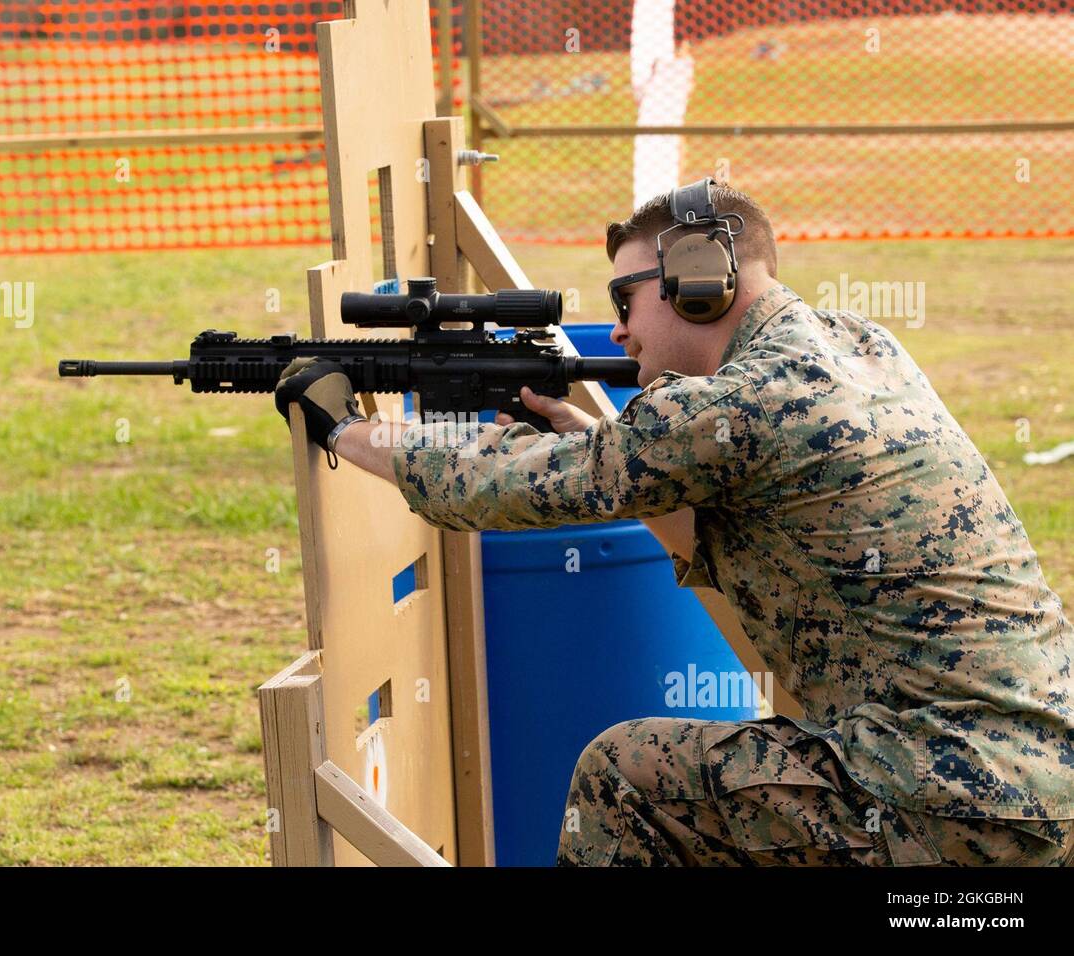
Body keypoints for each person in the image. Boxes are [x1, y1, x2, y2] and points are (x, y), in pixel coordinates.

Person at [273, 180, 1074, 866]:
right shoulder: (858, 344)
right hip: (1027, 786)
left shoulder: (737, 402)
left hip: (952, 799)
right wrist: (602, 450)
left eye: (627, 298)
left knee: (624, 774)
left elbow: (496, 487)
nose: (618, 329)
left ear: (701, 281)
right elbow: (746, 509)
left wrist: (346, 428)